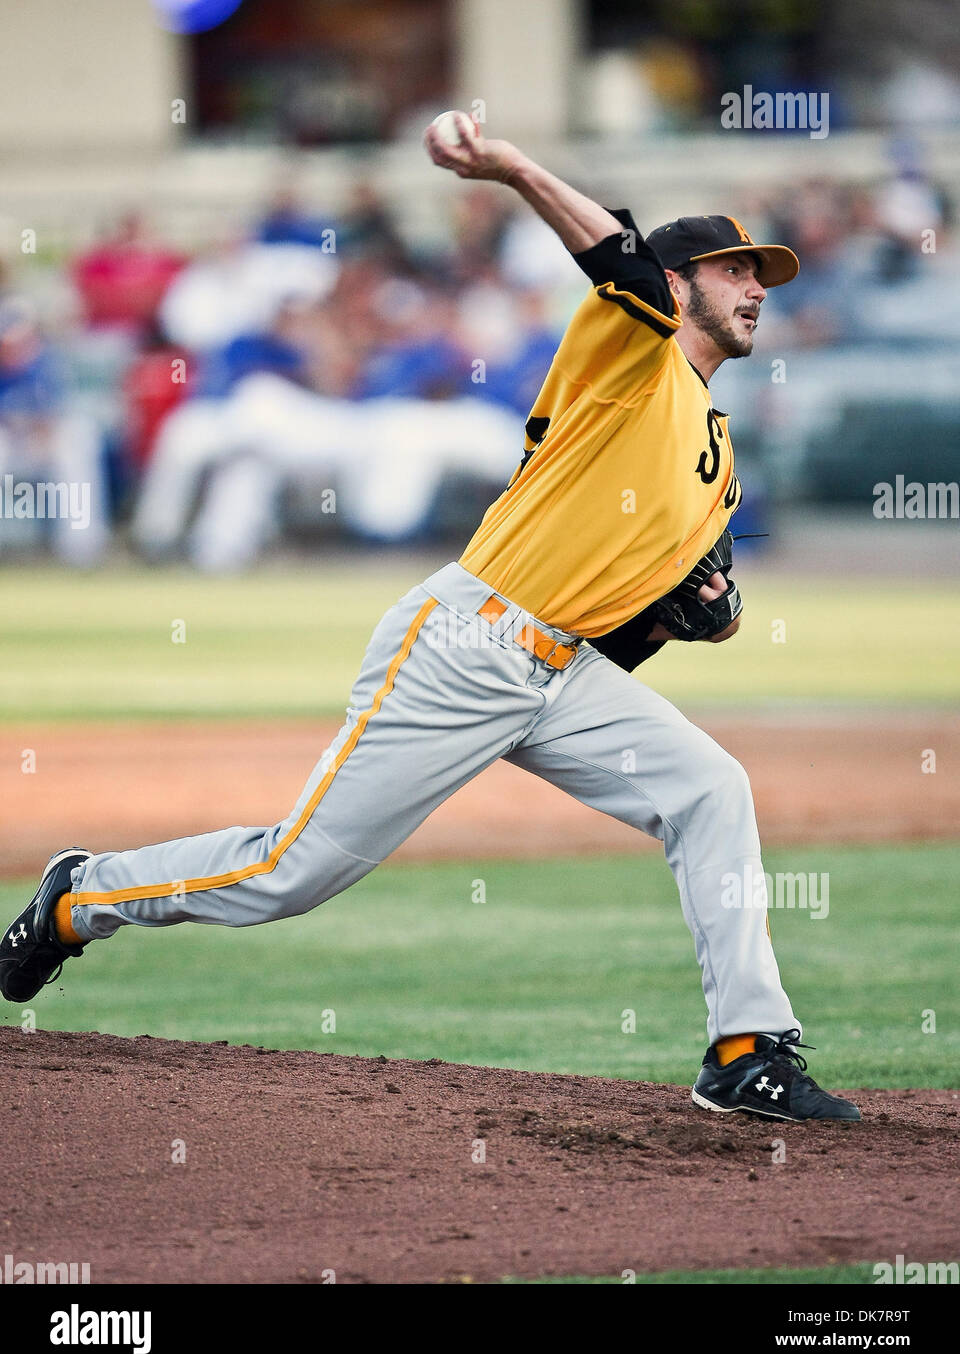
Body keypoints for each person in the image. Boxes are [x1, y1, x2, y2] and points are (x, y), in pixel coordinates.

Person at [1, 116, 860, 1123]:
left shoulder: (714, 451)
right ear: (679, 286)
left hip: (561, 669)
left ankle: (748, 1048)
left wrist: (702, 620)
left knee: (712, 786)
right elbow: (618, 260)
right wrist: (515, 167)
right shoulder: (634, 347)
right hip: (469, 641)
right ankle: (80, 895)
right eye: (734, 270)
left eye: (764, 275)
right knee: (293, 871)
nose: (758, 288)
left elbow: (634, 628)